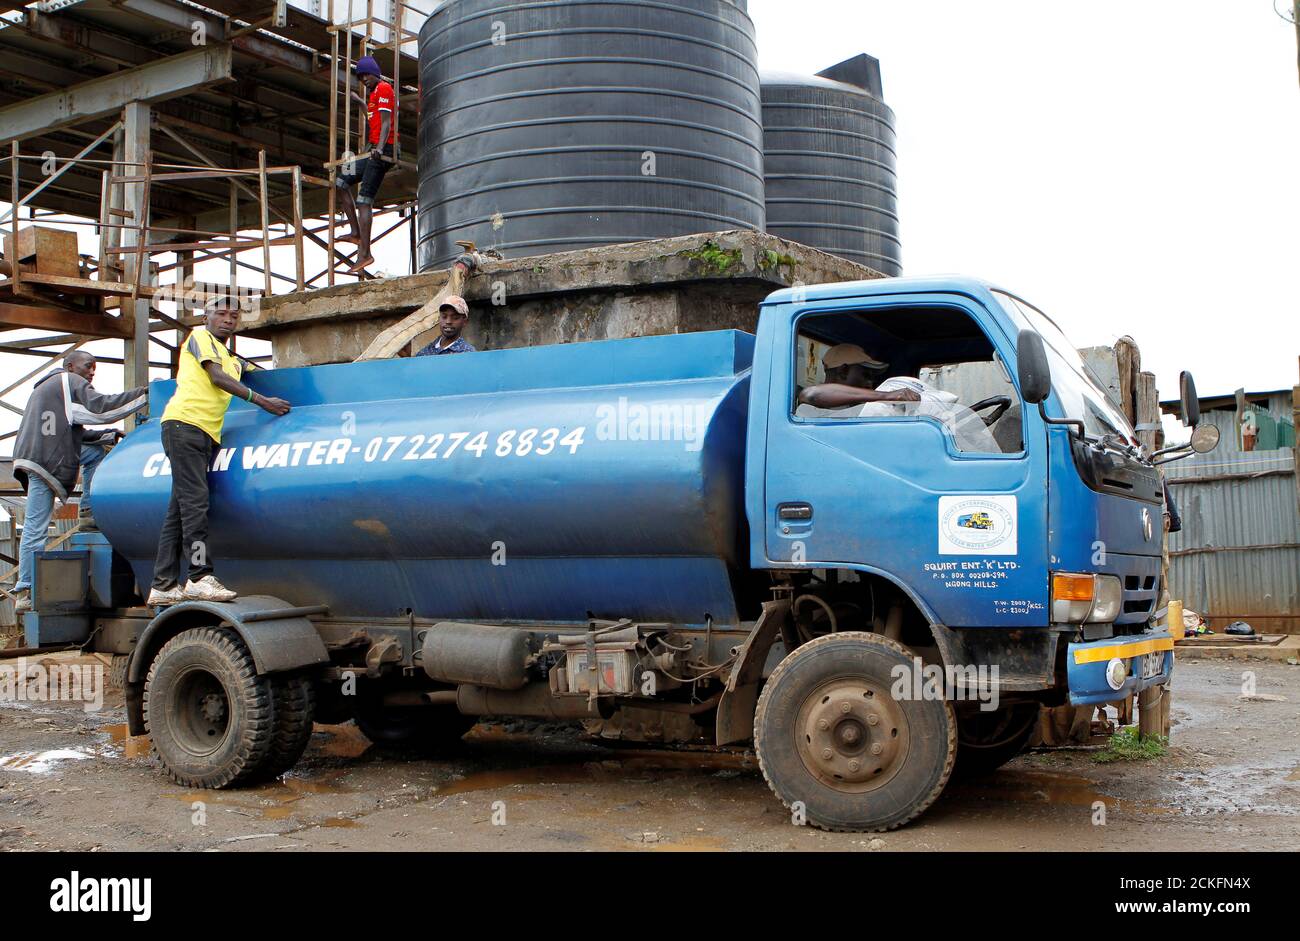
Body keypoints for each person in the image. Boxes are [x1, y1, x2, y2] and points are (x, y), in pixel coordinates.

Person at [147, 301, 291, 606]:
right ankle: (199, 576)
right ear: (206, 317)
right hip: (184, 425)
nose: (228, 319)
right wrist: (263, 401)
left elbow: (256, 372)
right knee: (196, 505)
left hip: (203, 433)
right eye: (221, 314)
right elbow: (216, 377)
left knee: (179, 510)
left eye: (234, 316)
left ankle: (163, 584)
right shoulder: (200, 338)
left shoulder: (231, 358)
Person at [11, 351, 147, 612]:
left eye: (95, 368)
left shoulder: (48, 387)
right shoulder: (68, 381)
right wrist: (143, 394)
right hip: (44, 460)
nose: (92, 372)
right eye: (88, 366)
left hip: (37, 453)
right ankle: (25, 588)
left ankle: (87, 511)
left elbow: (73, 430)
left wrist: (107, 435)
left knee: (94, 452)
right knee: (36, 527)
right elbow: (101, 407)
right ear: (71, 365)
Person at [798, 343, 997, 451]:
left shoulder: (864, 408)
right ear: (842, 371)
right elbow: (811, 394)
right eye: (866, 375)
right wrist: (886, 395)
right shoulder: (811, 410)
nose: (870, 382)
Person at [335, 55, 397, 274]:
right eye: (361, 78)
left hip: (383, 150)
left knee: (364, 199)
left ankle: (365, 253)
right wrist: (362, 103)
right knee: (341, 182)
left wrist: (380, 149)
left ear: (375, 73)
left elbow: (387, 123)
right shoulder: (373, 96)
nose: (364, 80)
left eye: (366, 76)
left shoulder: (385, 89)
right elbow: (373, 120)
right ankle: (355, 232)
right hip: (373, 148)